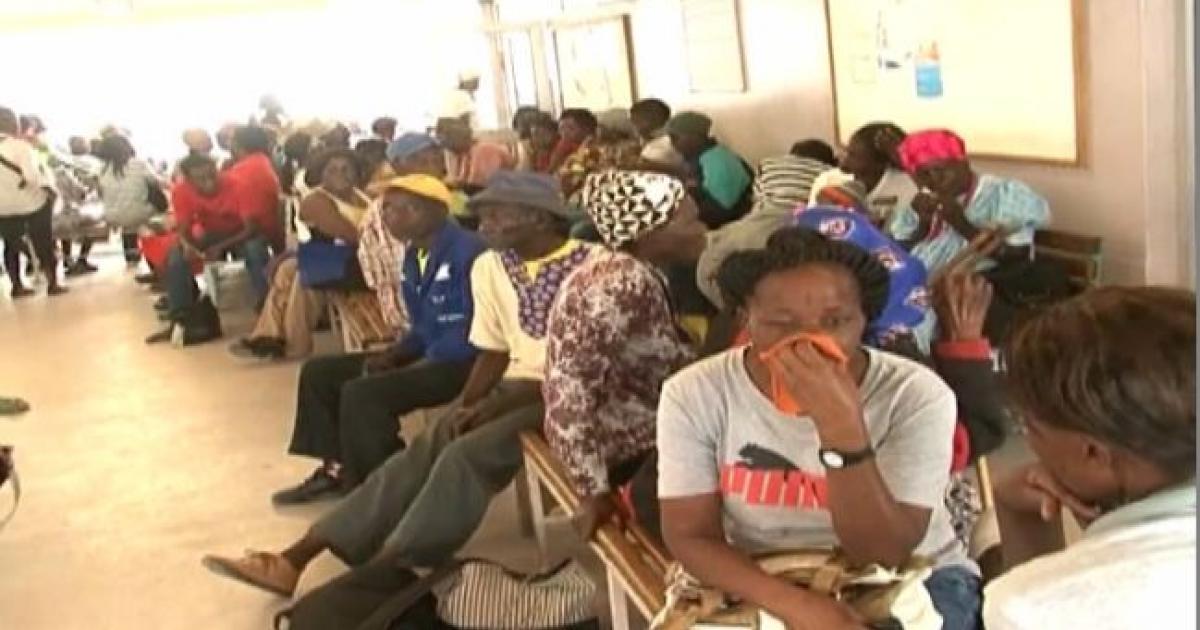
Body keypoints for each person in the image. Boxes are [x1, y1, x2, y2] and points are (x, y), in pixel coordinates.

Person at [204, 172, 596, 596]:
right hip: (513, 381)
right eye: (482, 214)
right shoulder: (492, 266)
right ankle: (295, 557)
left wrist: (493, 402)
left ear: (538, 218)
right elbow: (494, 350)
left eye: (497, 214)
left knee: (463, 457)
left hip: (572, 397)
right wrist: (467, 403)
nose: (483, 225)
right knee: (431, 443)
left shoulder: (593, 266)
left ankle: (388, 573)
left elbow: (588, 369)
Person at [658, 227, 979, 630]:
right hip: (766, 575)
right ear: (746, 321)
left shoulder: (915, 395)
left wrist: (841, 427)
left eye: (836, 321)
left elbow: (883, 552)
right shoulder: (694, 394)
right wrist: (797, 606)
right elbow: (691, 535)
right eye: (780, 323)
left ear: (864, 320)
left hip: (913, 574)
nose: (810, 342)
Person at [983, 287, 1195, 630]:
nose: (1030, 445)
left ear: (1094, 454)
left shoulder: (1032, 608)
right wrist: (1019, 514)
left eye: (1030, 427)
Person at [269, 174, 483, 505]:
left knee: (363, 394)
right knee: (320, 373)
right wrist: (398, 354)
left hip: (466, 362)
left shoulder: (469, 252)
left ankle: (389, 488)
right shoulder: (416, 254)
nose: (390, 218)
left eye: (402, 210)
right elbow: (425, 325)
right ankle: (336, 469)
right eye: (387, 210)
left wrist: (415, 364)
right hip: (433, 351)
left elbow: (473, 328)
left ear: (435, 211)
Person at [549, 170, 705, 538]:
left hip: (632, 432)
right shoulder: (618, 285)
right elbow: (568, 390)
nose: (702, 227)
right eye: (690, 219)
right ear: (650, 231)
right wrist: (592, 489)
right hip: (627, 450)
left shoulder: (631, 269)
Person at [230, 150, 370, 360]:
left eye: (346, 169)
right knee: (301, 275)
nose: (341, 174)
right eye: (332, 170)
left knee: (293, 272)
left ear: (357, 173)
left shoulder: (362, 196)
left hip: (354, 258)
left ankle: (275, 338)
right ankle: (274, 338)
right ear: (321, 175)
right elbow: (349, 234)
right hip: (346, 257)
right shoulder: (317, 201)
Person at [888, 129, 1050, 276]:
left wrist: (962, 225)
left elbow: (1017, 258)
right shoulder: (923, 201)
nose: (934, 180)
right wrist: (922, 228)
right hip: (921, 286)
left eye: (940, 170)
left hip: (975, 291)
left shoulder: (1004, 193)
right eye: (924, 174)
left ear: (963, 163)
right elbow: (894, 255)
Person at [146, 153, 271, 343]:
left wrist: (220, 247)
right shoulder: (181, 191)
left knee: (255, 250)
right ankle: (179, 319)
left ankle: (268, 309)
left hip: (241, 234)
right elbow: (183, 228)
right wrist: (188, 246)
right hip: (210, 234)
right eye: (201, 179)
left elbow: (250, 228)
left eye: (212, 175)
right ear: (188, 180)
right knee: (176, 257)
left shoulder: (238, 185)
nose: (210, 182)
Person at [358, 133, 447, 332]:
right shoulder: (394, 208)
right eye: (423, 161)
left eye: (437, 161)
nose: (434, 169)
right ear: (397, 166)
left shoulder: (429, 199)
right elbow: (407, 272)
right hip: (416, 311)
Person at [0, 106, 66, 297]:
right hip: (30, 203)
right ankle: (53, 283)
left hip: (3, 208)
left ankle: (16, 286)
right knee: (43, 242)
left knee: (10, 245)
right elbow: (33, 177)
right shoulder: (19, 146)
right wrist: (50, 190)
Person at [810, 123, 916, 227]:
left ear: (881, 163)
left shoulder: (907, 186)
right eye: (847, 152)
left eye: (853, 156)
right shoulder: (831, 179)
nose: (845, 162)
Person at [666, 111, 753, 229]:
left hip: (731, 227)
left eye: (675, 137)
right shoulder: (698, 156)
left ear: (695, 137)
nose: (671, 143)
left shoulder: (719, 162)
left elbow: (718, 212)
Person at [225, 125, 283, 288]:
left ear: (237, 144)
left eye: (231, 141)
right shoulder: (265, 163)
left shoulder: (241, 171)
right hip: (270, 229)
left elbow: (249, 224)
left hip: (253, 230)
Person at [95, 134, 162, 264]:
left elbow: (101, 193)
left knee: (128, 223)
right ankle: (154, 259)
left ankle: (131, 256)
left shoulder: (101, 170)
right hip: (140, 213)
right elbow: (155, 182)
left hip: (112, 215)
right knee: (149, 217)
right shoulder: (138, 163)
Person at [435, 116, 514, 195]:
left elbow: (479, 184)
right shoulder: (454, 152)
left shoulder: (484, 149)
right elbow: (454, 179)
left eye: (445, 138)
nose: (442, 144)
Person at [630, 98, 686, 172]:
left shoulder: (663, 144)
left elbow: (645, 164)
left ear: (648, 121)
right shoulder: (659, 139)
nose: (632, 125)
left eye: (635, 121)